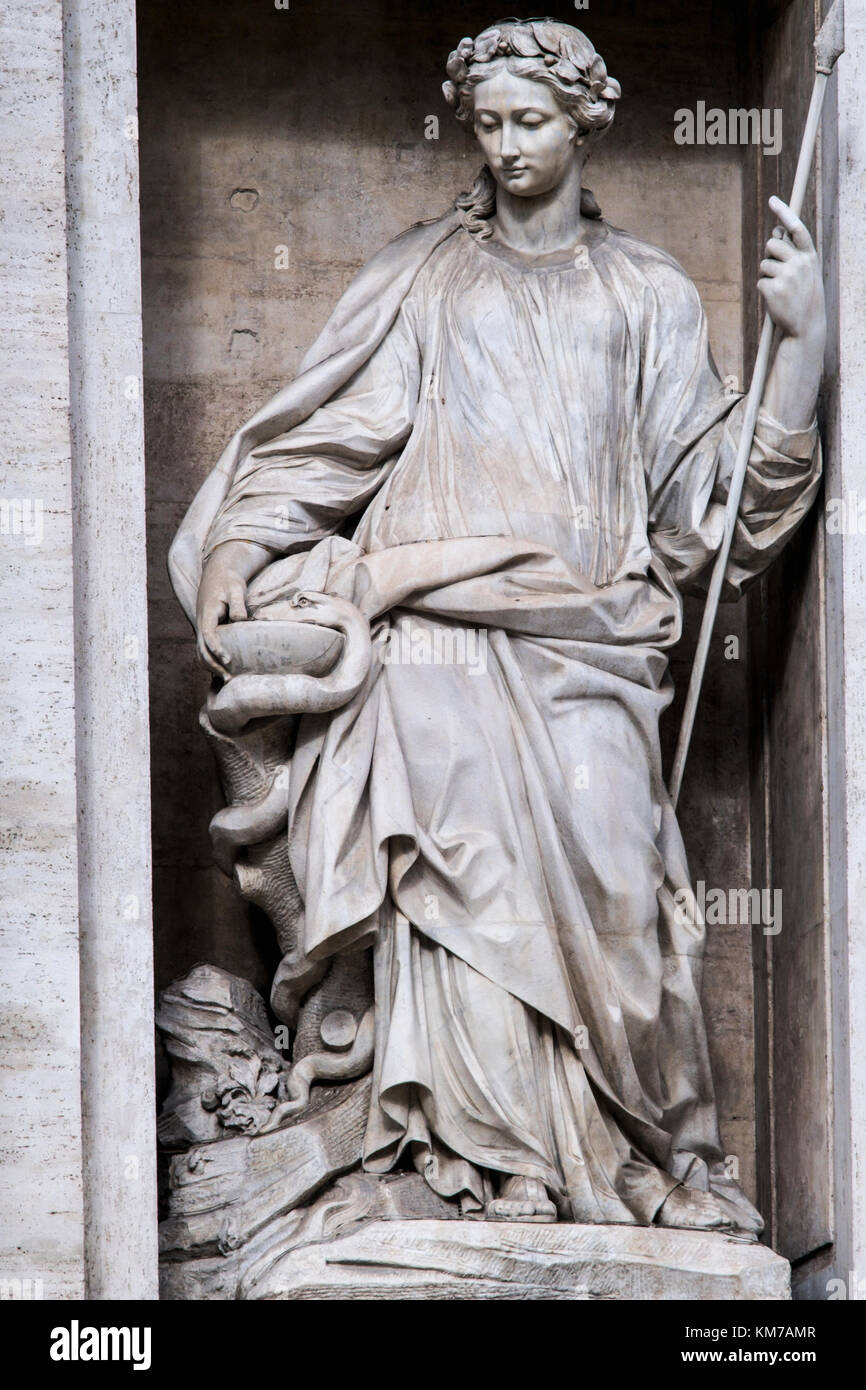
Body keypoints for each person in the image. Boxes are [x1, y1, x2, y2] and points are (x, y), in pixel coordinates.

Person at [172, 19, 824, 1232]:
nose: (509, 145)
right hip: (430, 637)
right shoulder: (426, 275)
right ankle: (480, 1158)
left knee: (616, 888)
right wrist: (238, 541)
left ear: (583, 123)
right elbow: (326, 439)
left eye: (531, 121)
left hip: (590, 639)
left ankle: (645, 1157)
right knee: (451, 880)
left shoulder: (647, 292)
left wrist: (800, 356)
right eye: (488, 124)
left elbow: (710, 513)